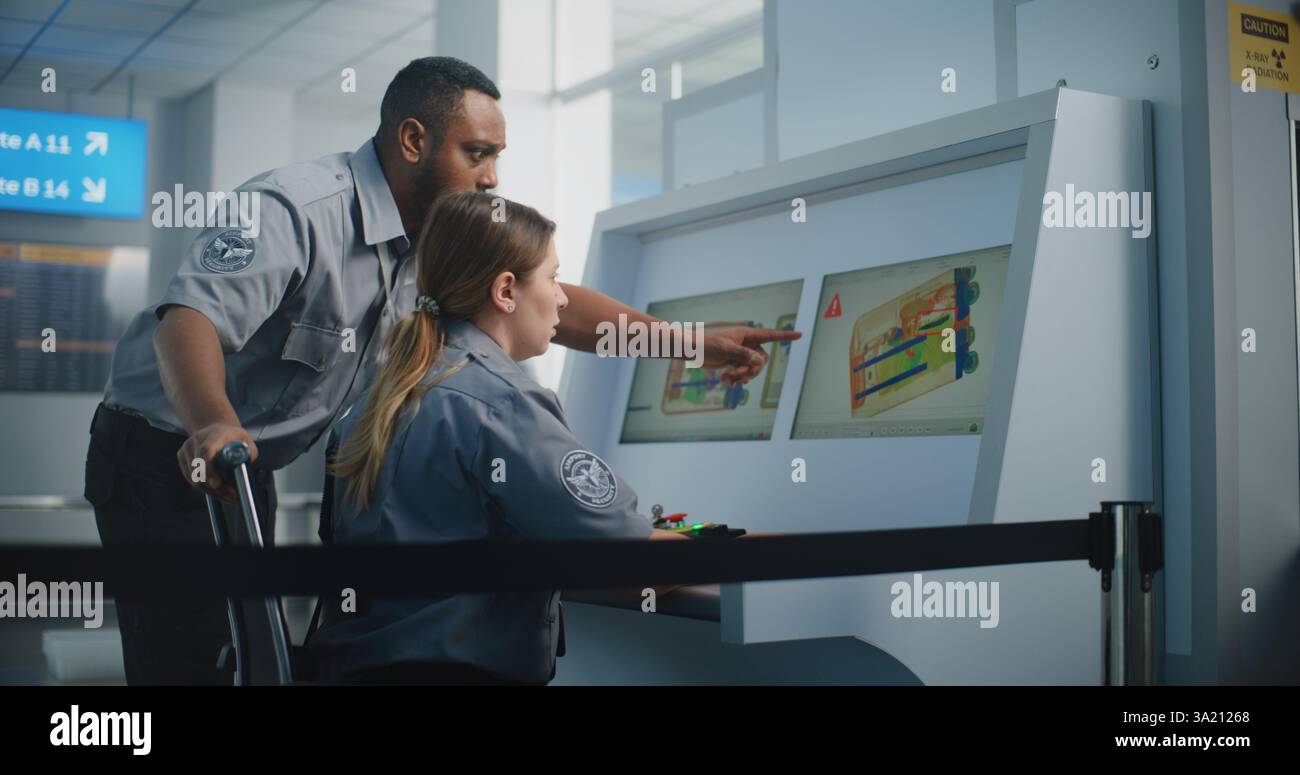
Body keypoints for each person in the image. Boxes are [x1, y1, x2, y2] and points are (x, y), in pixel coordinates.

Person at [85, 55, 799, 685]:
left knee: (249, 658)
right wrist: (212, 423)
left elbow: (555, 298)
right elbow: (188, 320)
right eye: (478, 152)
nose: (491, 177)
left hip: (249, 459)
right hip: (168, 445)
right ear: (413, 140)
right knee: (194, 659)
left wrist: (688, 344)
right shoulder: (295, 207)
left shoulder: (437, 234)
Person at [309, 191, 692, 685]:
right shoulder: (503, 405)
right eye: (553, 278)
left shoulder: (377, 399)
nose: (561, 298)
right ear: (506, 291)